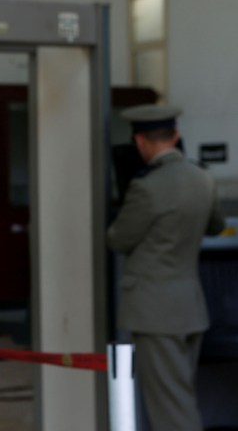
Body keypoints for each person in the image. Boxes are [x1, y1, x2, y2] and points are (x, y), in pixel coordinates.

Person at [107, 104, 225, 431]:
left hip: (155, 312)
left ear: (139, 142)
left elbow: (118, 239)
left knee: (170, 408)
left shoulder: (146, 186)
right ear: (175, 135)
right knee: (180, 395)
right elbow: (215, 226)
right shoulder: (202, 178)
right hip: (190, 307)